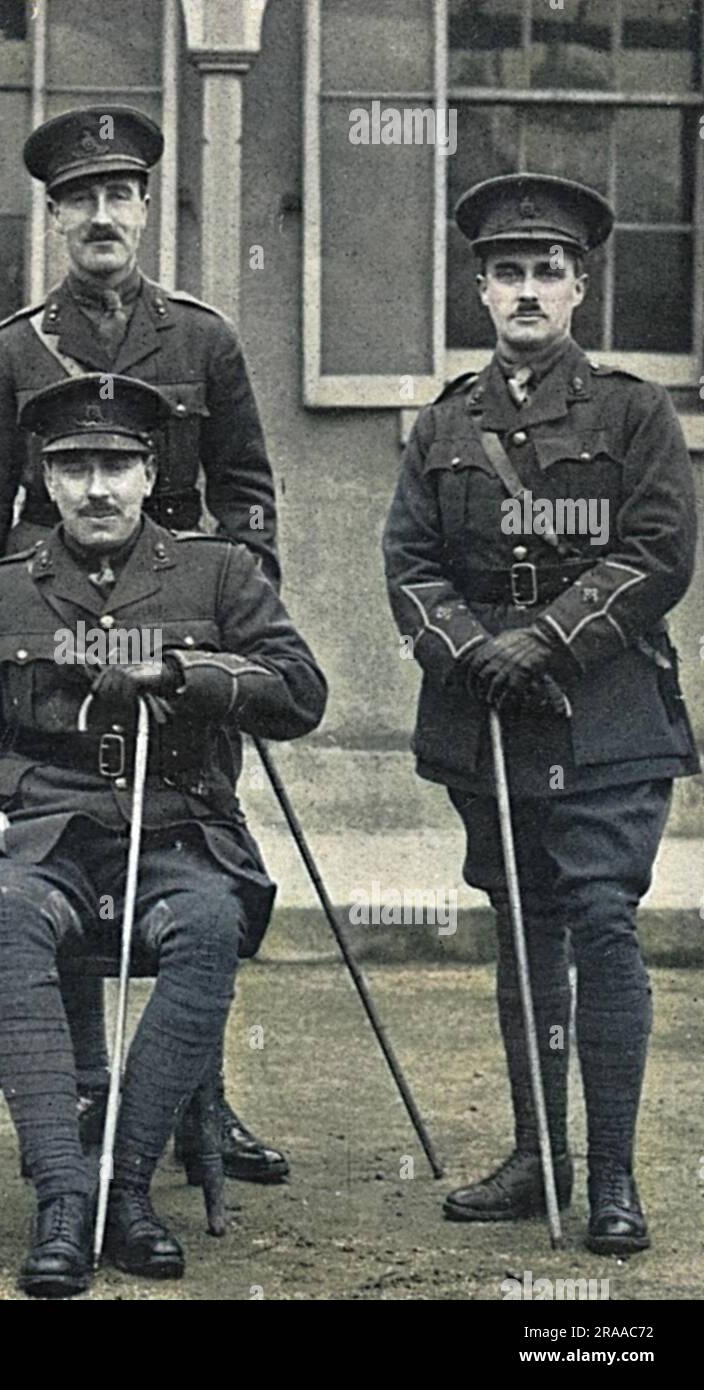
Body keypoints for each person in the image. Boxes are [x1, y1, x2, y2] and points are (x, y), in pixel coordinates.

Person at [0, 374, 325, 1296]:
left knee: (209, 926)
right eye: (75, 467)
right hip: (36, 838)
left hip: (176, 835)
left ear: (151, 472)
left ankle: (128, 1190)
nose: (97, 487)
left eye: (117, 465)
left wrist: (193, 675)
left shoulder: (218, 574)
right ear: (46, 482)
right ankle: (62, 1194)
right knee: (9, 917)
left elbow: (299, 693)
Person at [0, 103, 288, 1185]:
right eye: (80, 200)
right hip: (45, 641)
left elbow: (248, 494)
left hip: (178, 630)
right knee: (64, 829)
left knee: (186, 837)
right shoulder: (10, 351)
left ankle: (197, 1102)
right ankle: (87, 1083)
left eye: (119, 195)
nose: (102, 216)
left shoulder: (202, 338)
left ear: (144, 210)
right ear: (53, 218)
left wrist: (227, 617)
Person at [383, 174, 697, 1255]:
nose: (526, 290)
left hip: (603, 716)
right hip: (489, 718)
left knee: (601, 920)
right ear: (479, 289)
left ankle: (611, 1176)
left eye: (546, 273)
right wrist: (479, 651)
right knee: (522, 931)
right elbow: (410, 566)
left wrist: (547, 636)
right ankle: (537, 1156)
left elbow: (656, 553)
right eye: (507, 272)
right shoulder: (441, 426)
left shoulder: (632, 411)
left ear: (577, 289)